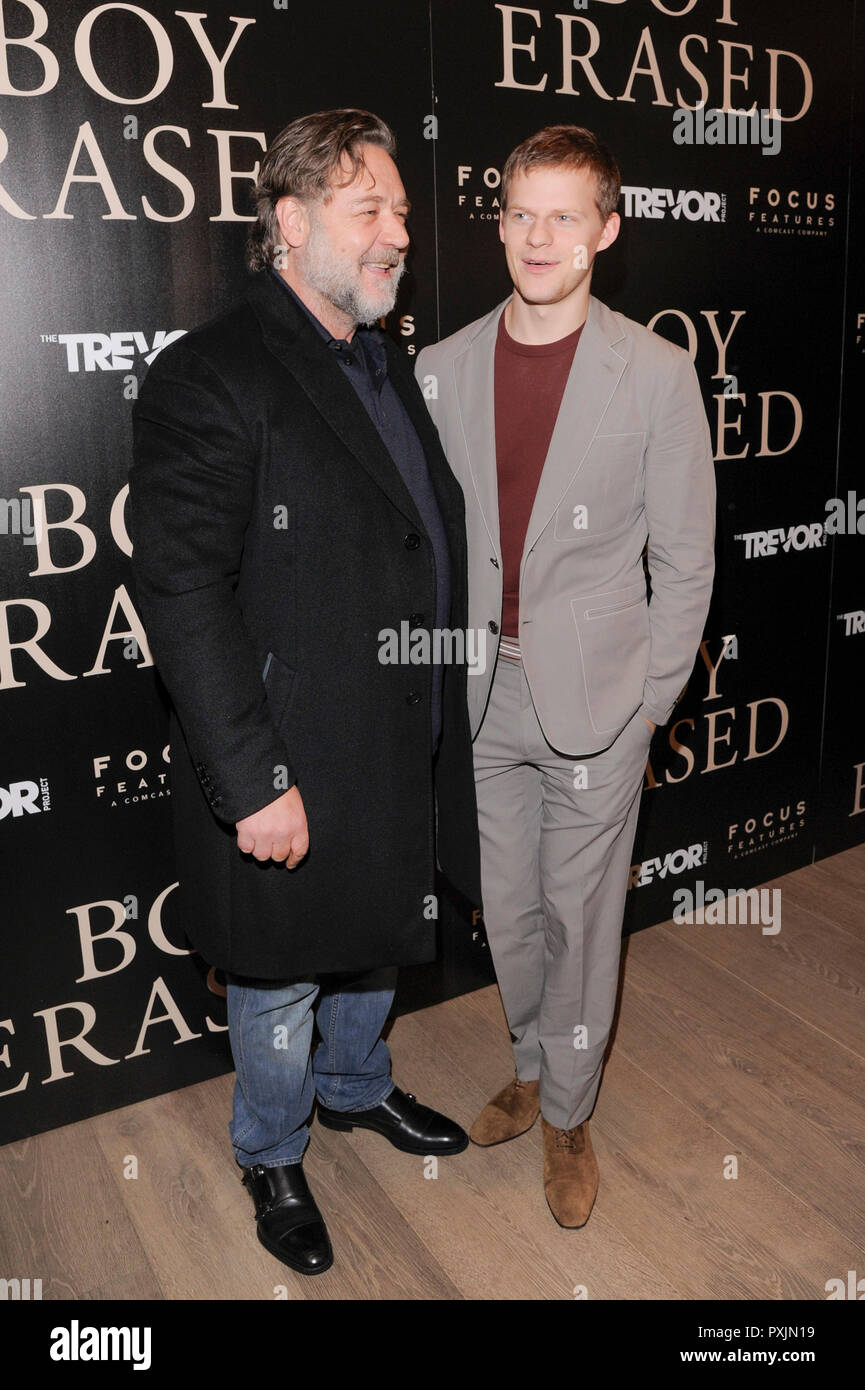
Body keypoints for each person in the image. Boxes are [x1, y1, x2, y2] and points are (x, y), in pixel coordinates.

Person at [128, 108, 481, 1276]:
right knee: (279, 973)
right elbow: (182, 590)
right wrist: (254, 781)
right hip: (288, 750)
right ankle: (272, 1149)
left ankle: (354, 1087)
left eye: (402, 216)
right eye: (367, 208)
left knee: (374, 938)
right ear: (289, 222)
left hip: (394, 730)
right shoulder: (210, 375)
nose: (396, 235)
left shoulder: (386, 360)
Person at [415, 125, 716, 1228]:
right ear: (497, 224)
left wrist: (650, 706)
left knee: (580, 916)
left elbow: (685, 560)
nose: (539, 237)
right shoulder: (437, 369)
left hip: (599, 703)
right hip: (480, 694)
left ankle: (568, 1111)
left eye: (564, 215)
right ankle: (534, 1061)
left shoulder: (656, 372)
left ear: (606, 229)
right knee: (511, 906)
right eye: (520, 213)